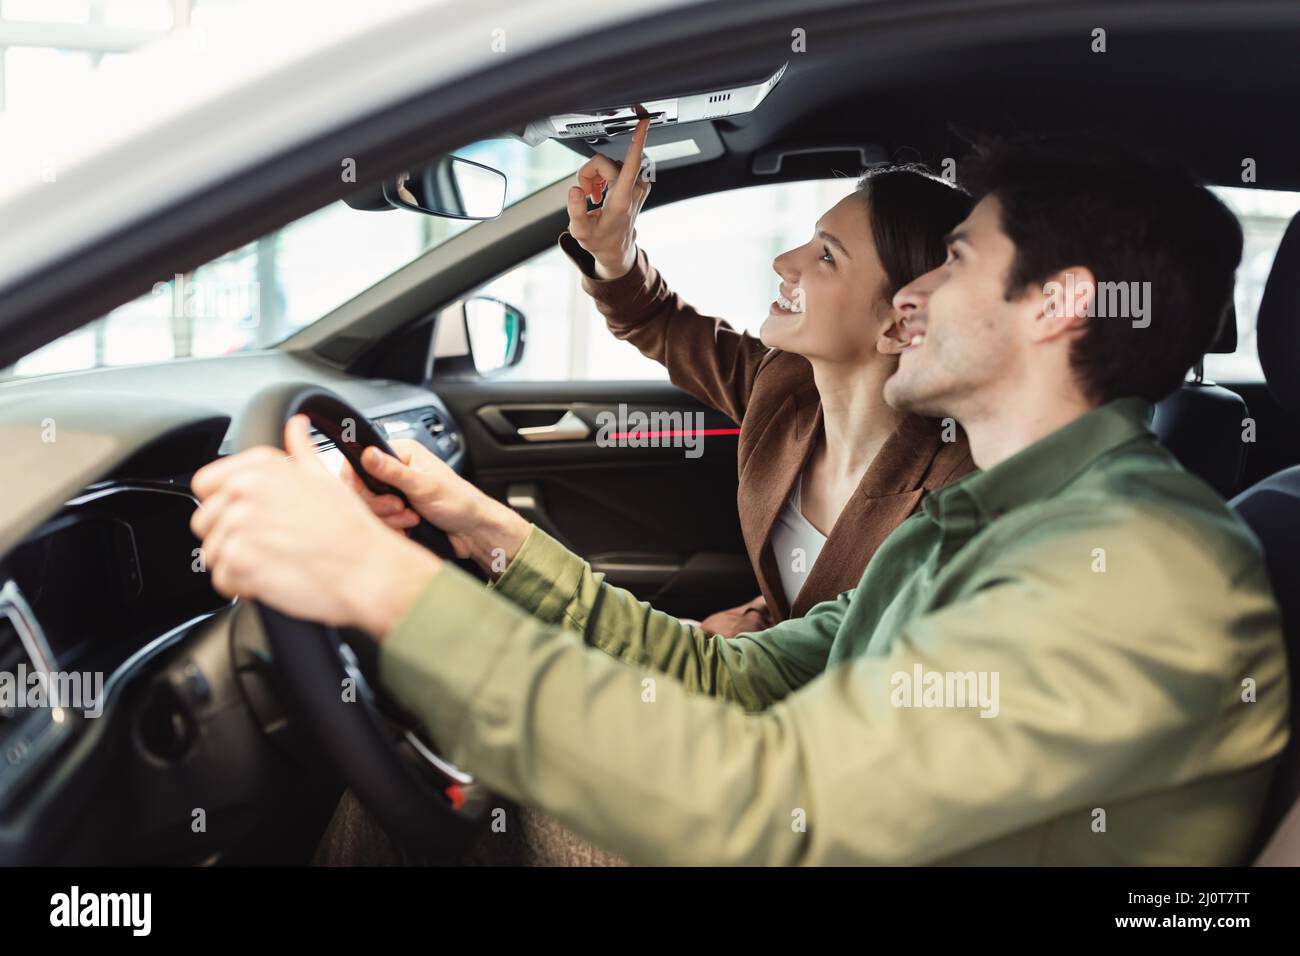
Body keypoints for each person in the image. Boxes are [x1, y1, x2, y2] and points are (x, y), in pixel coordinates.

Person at [190, 133, 1287, 865]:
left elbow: (771, 807)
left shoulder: (1128, 566)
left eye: (952, 259)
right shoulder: (983, 526)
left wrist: (383, 589)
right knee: (448, 757)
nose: (913, 296)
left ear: (1058, 307)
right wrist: (483, 531)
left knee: (465, 783)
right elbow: (735, 674)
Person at [559, 120, 974, 636]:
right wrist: (612, 250)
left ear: (899, 324)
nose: (784, 262)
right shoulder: (783, 387)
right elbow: (658, 322)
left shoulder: (960, 490)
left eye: (827, 255)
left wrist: (736, 649)